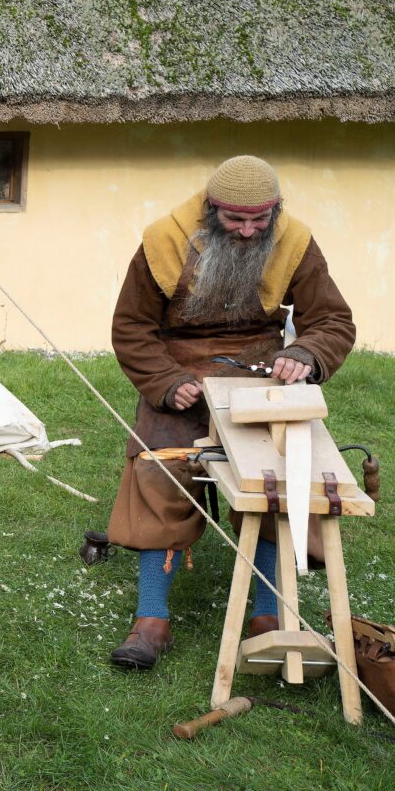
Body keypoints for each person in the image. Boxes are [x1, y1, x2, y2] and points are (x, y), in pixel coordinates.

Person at [106, 155, 355, 670]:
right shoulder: (163, 240)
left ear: (275, 211)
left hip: (259, 375)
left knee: (278, 481)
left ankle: (268, 613)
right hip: (180, 375)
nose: (247, 231)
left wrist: (304, 355)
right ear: (209, 209)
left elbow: (331, 318)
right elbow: (132, 328)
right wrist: (165, 382)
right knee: (161, 471)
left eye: (259, 220)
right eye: (235, 219)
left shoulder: (295, 241)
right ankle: (151, 618)